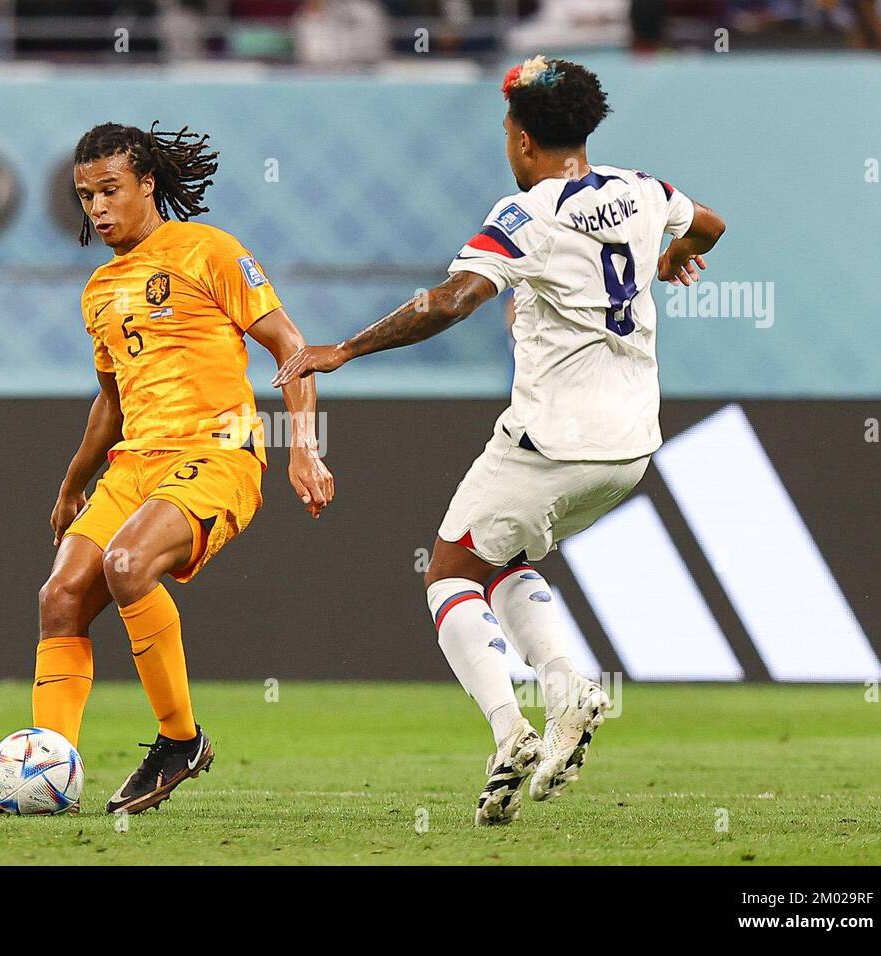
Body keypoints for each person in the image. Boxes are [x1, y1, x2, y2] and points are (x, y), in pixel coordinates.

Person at [273, 55, 726, 825]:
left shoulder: (531, 215)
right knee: (502, 558)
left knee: (449, 572)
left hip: (552, 441)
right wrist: (675, 254)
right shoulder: (642, 190)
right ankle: (567, 687)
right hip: (631, 448)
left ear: (520, 139)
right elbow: (709, 225)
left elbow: (451, 301)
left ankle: (509, 730)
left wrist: (343, 350)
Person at [0, 122, 334, 816]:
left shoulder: (209, 250)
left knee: (128, 563)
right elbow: (111, 402)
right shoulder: (100, 290)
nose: (98, 207)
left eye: (110, 189)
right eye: (85, 196)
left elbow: (291, 345)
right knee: (59, 599)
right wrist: (72, 483)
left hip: (215, 455)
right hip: (133, 464)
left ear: (147, 183)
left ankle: (181, 739)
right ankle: (46, 769)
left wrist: (305, 449)